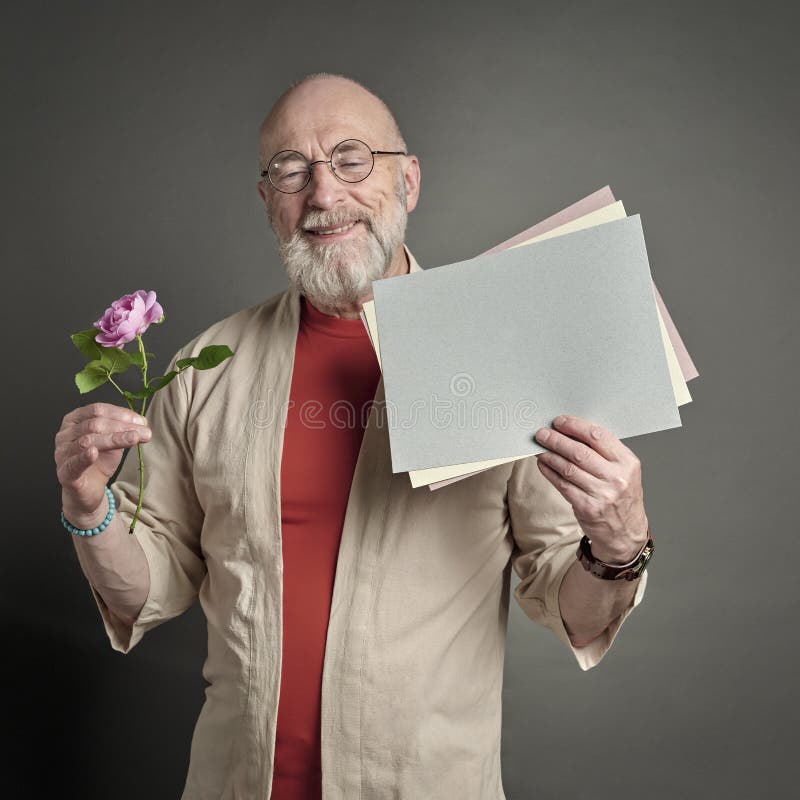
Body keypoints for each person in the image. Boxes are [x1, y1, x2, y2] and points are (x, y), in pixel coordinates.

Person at [54, 73, 654, 799]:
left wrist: (618, 545)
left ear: (409, 180)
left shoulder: (506, 354)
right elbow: (152, 583)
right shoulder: (204, 370)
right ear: (267, 201)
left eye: (352, 159)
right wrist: (92, 514)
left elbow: (566, 599)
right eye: (291, 170)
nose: (324, 194)